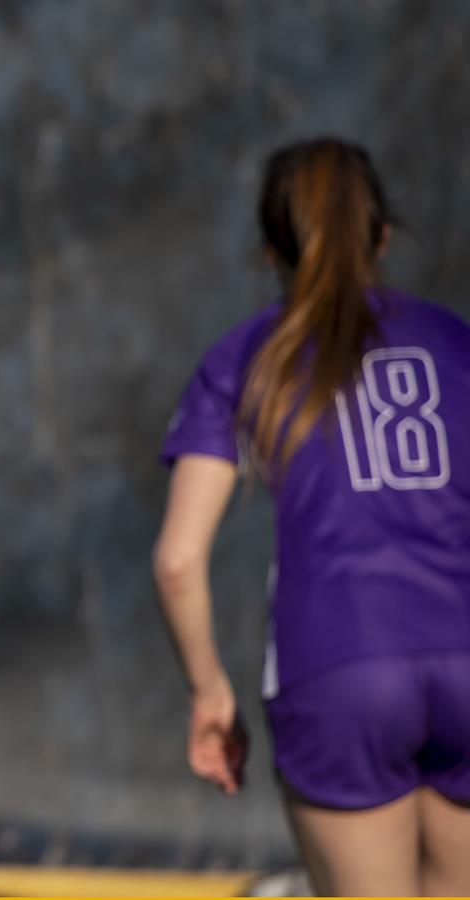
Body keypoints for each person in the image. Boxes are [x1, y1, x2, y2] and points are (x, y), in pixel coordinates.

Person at [155, 137, 470, 896]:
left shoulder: (243, 356)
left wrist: (209, 693)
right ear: (384, 235)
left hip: (337, 665)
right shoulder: (455, 341)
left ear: (269, 249)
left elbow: (178, 560)